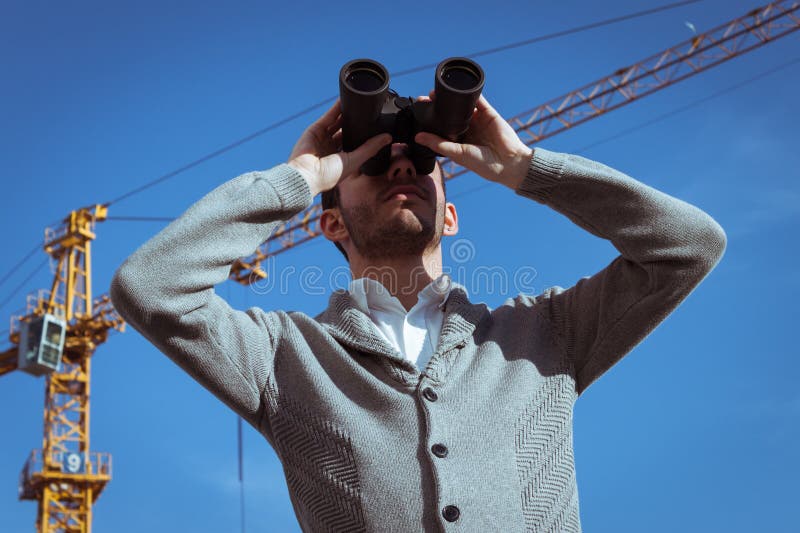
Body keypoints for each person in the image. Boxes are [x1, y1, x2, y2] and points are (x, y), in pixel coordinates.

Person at [110, 92, 726, 532]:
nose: (402, 165)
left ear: (450, 217)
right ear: (328, 222)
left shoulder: (545, 334)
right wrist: (296, 178)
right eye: (374, 161)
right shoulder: (281, 358)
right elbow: (150, 287)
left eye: (423, 163)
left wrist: (527, 170)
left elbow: (688, 247)